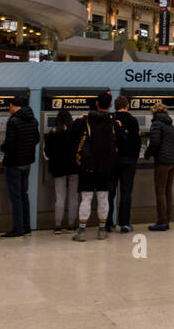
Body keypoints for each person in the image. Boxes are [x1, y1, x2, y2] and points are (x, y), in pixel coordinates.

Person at [69, 91, 118, 240]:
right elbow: (122, 140)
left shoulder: (86, 120)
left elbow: (71, 136)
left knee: (86, 197)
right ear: (110, 105)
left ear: (96, 104)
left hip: (87, 165)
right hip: (105, 165)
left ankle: (82, 232)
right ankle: (102, 230)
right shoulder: (112, 122)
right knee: (103, 197)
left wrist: (77, 121)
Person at [0, 95, 40, 238]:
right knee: (24, 195)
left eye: (9, 106)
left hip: (14, 163)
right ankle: (26, 226)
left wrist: (2, 148)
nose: (9, 109)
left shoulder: (14, 121)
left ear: (14, 106)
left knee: (16, 197)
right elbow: (36, 139)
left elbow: (9, 144)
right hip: (27, 162)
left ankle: (18, 229)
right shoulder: (33, 120)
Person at [108, 95, 142, 233]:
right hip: (128, 160)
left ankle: (108, 223)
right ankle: (124, 224)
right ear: (127, 105)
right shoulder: (132, 120)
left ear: (115, 106)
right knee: (126, 192)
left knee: (110, 193)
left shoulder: (110, 119)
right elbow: (137, 141)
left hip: (112, 160)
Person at [144, 102, 174, 230]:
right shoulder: (171, 126)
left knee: (160, 192)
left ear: (154, 113)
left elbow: (154, 143)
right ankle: (167, 220)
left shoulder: (156, 124)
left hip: (163, 162)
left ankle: (161, 222)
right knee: (167, 191)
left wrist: (147, 154)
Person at [44, 109, 78, 233]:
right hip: (74, 168)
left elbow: (47, 152)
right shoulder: (75, 132)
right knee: (73, 197)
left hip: (58, 168)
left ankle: (58, 226)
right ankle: (71, 225)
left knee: (60, 197)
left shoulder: (53, 133)